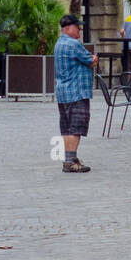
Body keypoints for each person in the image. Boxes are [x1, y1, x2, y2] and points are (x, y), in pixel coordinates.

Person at [54, 13, 98, 173]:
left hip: (63, 92)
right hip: (77, 91)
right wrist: (94, 58)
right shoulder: (73, 44)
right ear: (67, 28)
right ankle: (71, 161)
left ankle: (68, 159)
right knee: (76, 127)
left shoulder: (59, 43)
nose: (79, 30)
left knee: (66, 128)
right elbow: (90, 60)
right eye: (77, 27)